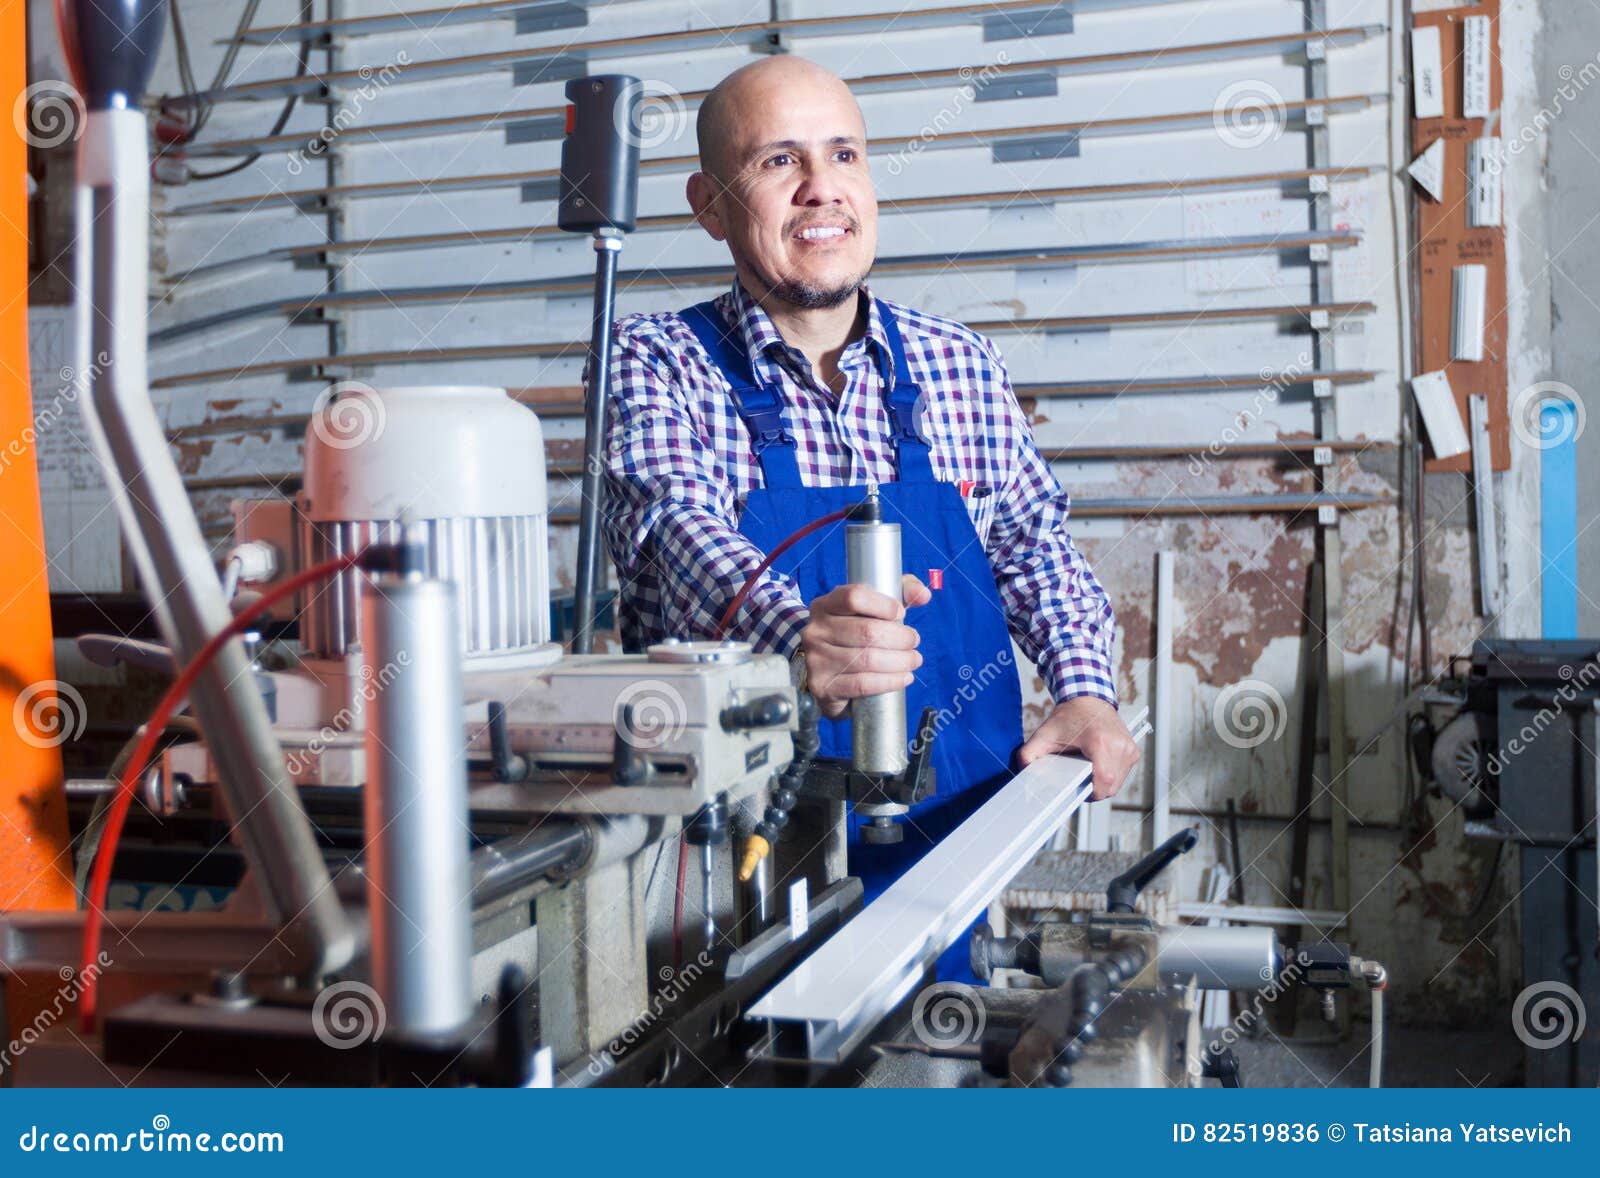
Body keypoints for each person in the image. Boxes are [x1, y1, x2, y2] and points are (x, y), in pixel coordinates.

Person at [601, 56, 1140, 968]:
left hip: (946, 850)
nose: (823, 190)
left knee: (936, 1057)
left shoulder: (958, 365)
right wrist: (797, 632)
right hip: (721, 871)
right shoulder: (652, 362)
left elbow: (1035, 549)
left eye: (843, 155)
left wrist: (1086, 688)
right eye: (779, 162)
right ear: (708, 204)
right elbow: (673, 533)